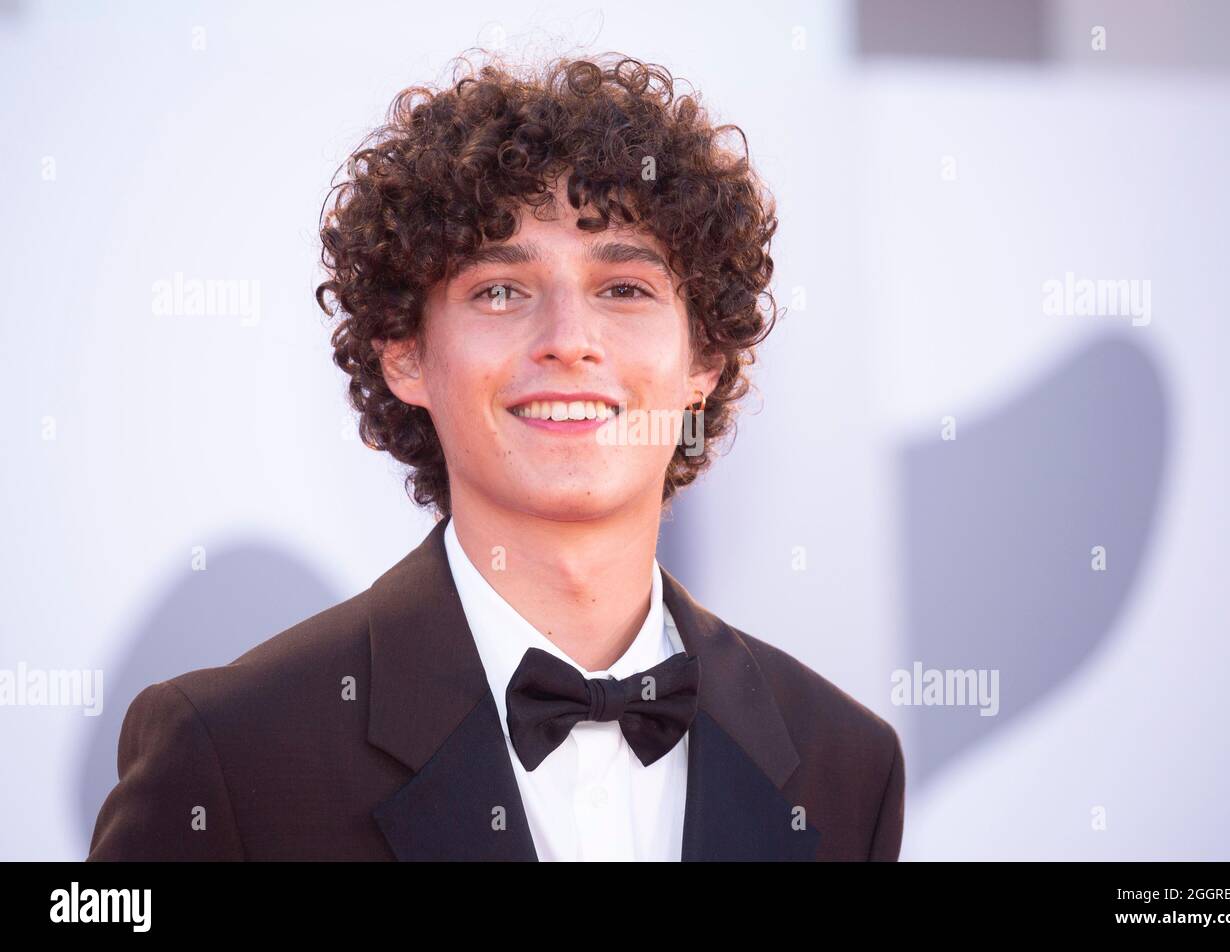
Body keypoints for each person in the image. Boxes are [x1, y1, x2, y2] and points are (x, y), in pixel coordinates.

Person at [87, 50, 904, 861]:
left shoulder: (845, 766)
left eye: (624, 288)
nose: (569, 343)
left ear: (705, 363)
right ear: (405, 351)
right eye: (500, 291)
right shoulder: (230, 756)